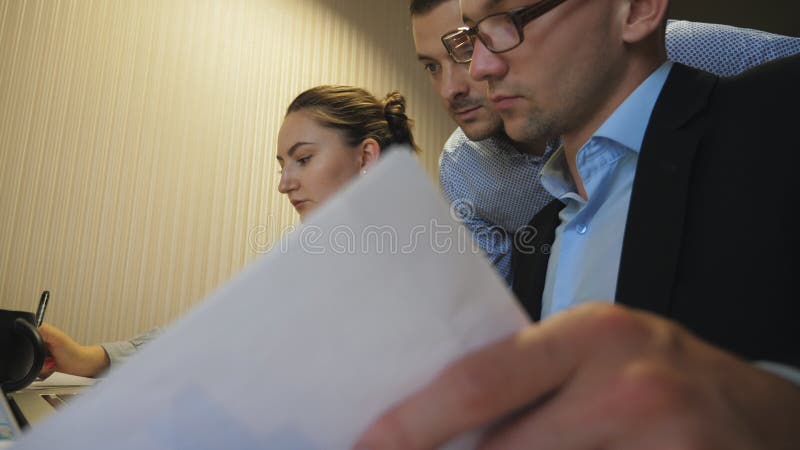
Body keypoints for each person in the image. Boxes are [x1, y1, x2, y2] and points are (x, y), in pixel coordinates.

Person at [356, 0, 800, 448]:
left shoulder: (779, 111)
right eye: (470, 38)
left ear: (637, 8)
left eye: (510, 20)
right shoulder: (533, 243)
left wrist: (772, 411)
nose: (479, 68)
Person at [409, 0, 800, 286]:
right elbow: (498, 308)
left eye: (504, 25)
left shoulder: (686, 53)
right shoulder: (464, 169)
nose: (455, 86)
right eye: (433, 65)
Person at [39, 85, 418, 379]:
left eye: (303, 159)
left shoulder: (414, 278)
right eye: (283, 166)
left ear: (365, 156)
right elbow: (210, 334)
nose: (284, 184)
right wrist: (92, 358)